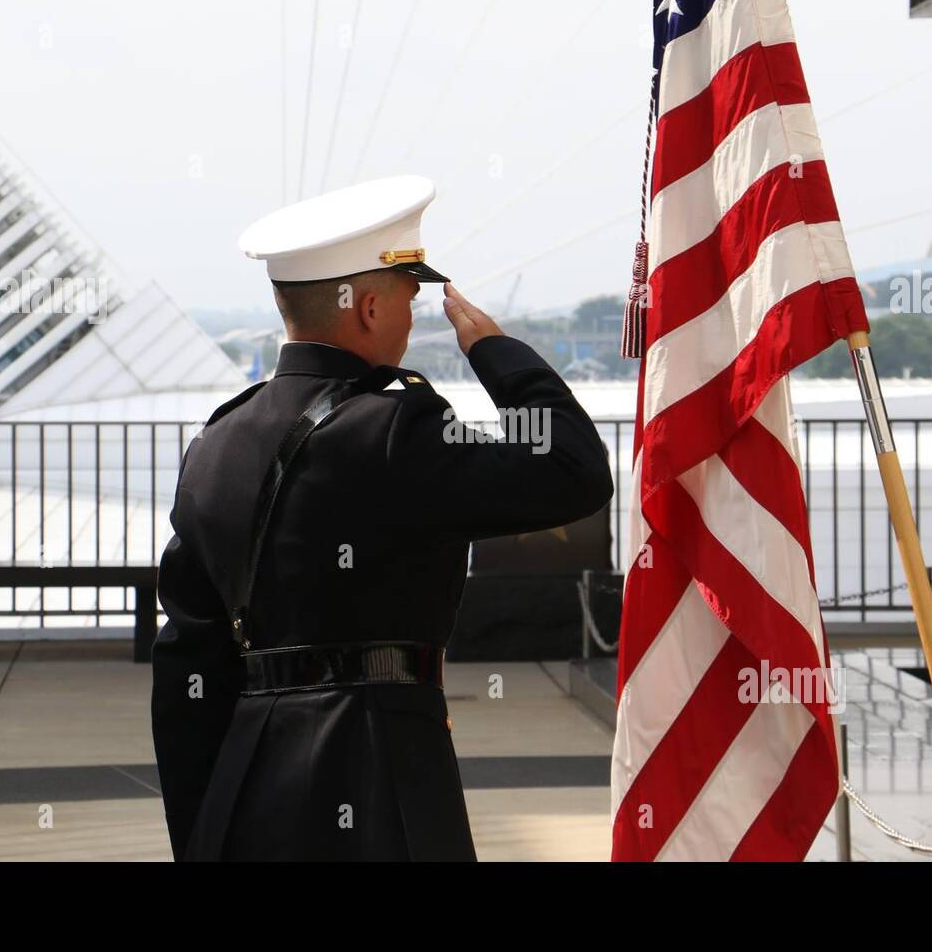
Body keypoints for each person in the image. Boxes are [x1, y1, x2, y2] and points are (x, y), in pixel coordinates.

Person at [150, 175, 613, 860]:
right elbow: (574, 470)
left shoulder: (216, 444)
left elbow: (185, 671)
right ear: (368, 307)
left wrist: (206, 830)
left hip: (247, 784)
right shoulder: (398, 432)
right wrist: (496, 353)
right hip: (378, 770)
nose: (411, 319)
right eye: (409, 300)